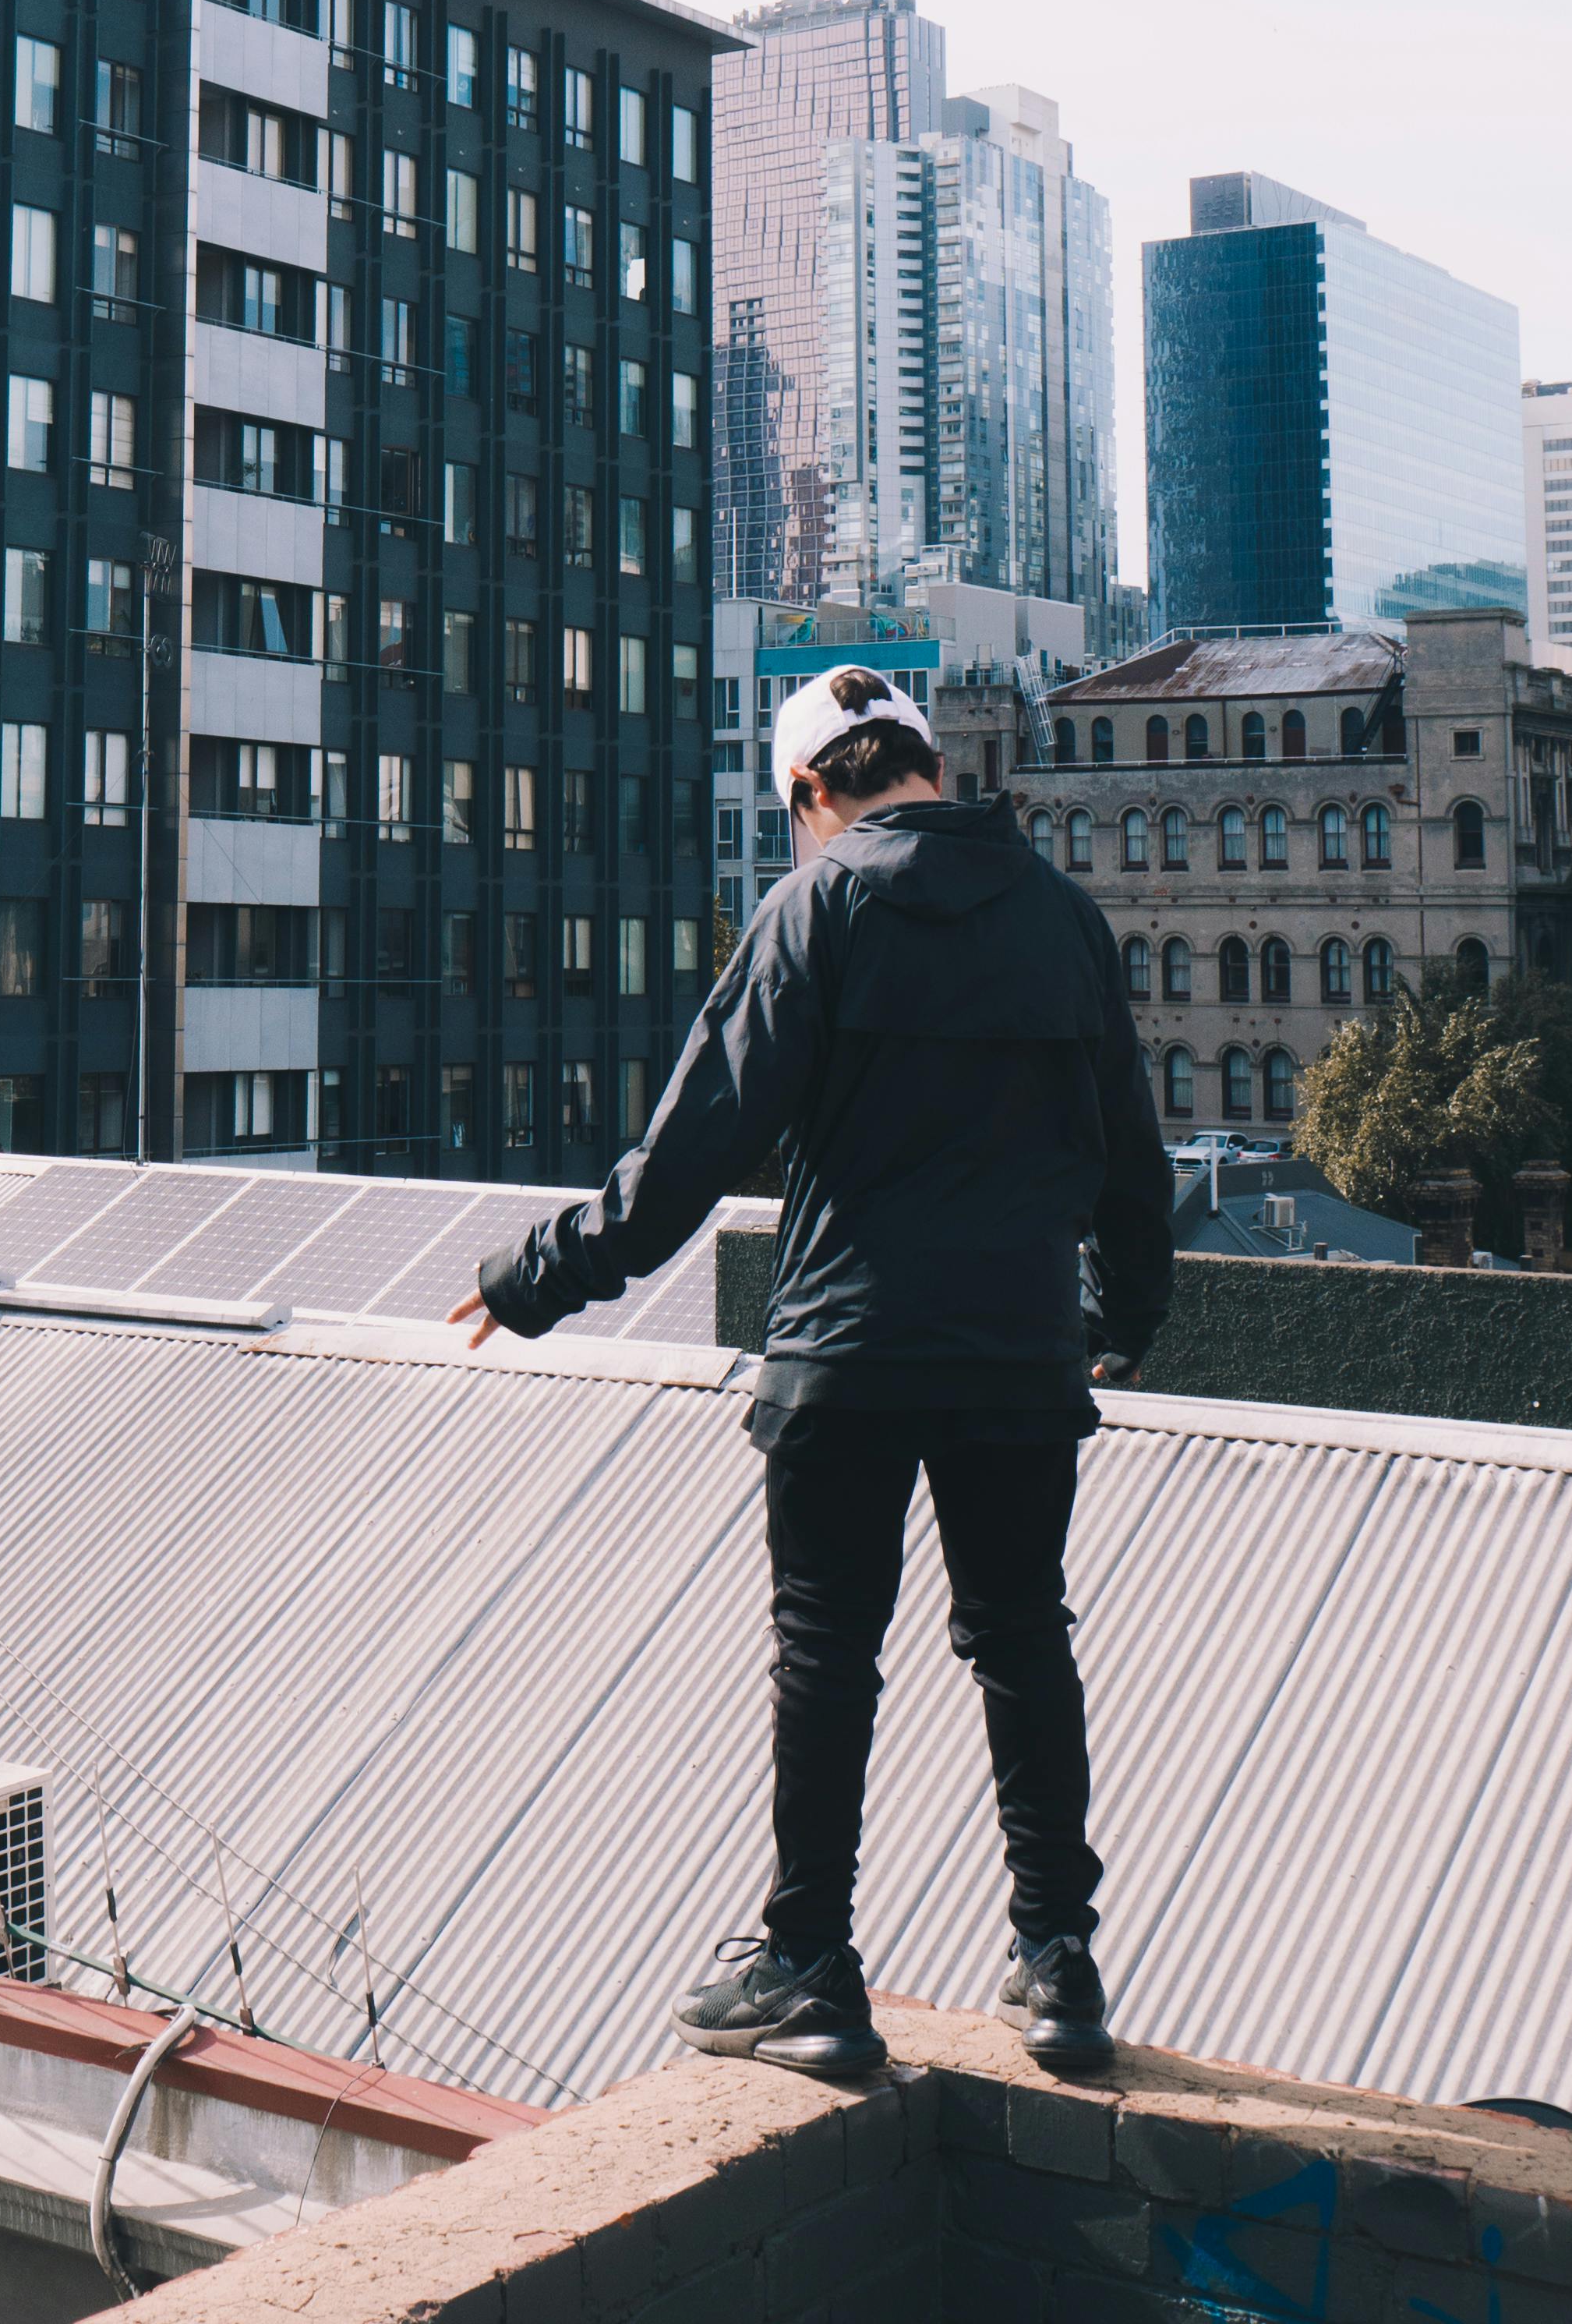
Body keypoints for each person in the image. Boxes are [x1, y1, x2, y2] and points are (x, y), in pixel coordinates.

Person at [452, 667, 1171, 2080]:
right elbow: (1130, 1160)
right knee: (1023, 1639)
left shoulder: (817, 909)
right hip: (1020, 1353)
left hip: (849, 1348)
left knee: (829, 1655)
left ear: (808, 793)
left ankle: (810, 1967)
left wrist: (533, 1278)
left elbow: (687, 1160)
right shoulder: (1064, 918)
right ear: (920, 760)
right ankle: (1059, 1964)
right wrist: (1119, 1314)